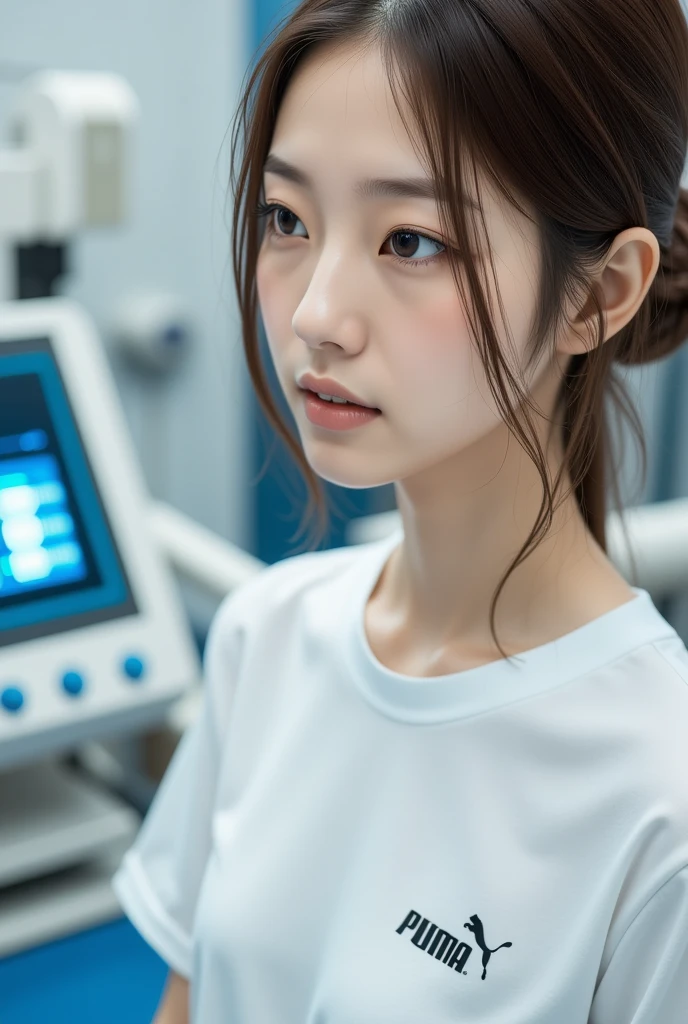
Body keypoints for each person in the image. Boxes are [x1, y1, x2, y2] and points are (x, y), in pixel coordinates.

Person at [112, 1, 688, 1020]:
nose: (317, 316)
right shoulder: (268, 634)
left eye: (411, 240)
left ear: (598, 293)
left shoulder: (659, 799)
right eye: (286, 219)